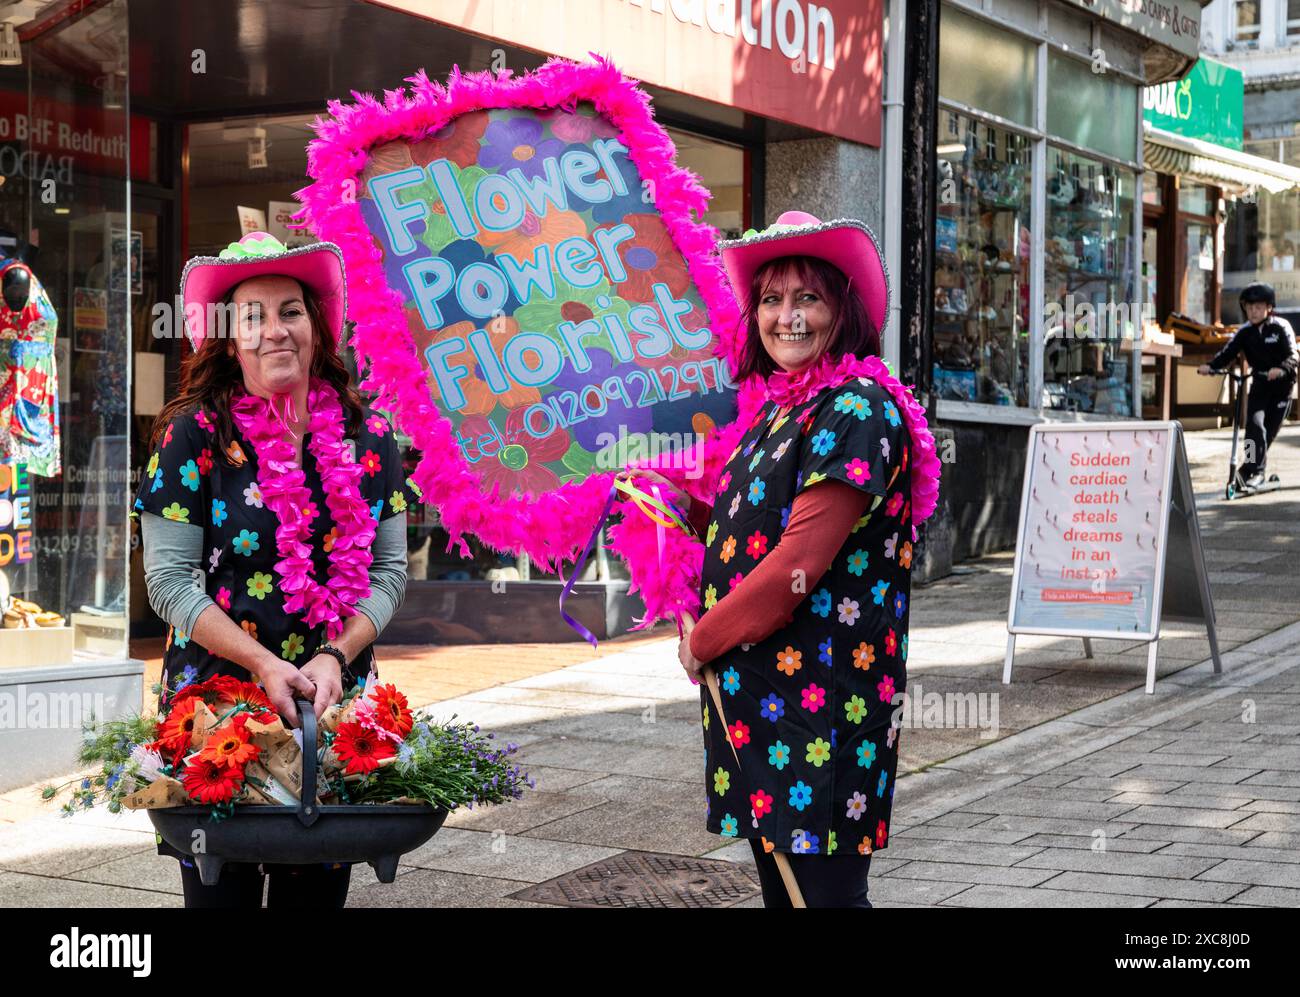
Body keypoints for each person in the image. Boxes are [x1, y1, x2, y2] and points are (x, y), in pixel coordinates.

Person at [623, 211, 938, 907]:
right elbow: (750, 532)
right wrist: (670, 506)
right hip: (762, 704)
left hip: (821, 712)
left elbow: (801, 559)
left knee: (822, 899)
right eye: (770, 299)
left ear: (843, 309)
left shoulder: (857, 405)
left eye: (808, 298)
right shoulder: (779, 408)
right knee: (787, 898)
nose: (786, 317)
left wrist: (704, 637)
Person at [132, 232, 415, 908]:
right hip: (215, 717)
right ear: (231, 340)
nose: (273, 330)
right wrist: (261, 662)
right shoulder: (192, 434)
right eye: (252, 316)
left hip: (330, 709)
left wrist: (334, 656)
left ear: (316, 327)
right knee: (219, 898)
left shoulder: (370, 438)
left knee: (313, 902)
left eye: (289, 310)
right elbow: (168, 581)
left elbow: (389, 570)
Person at [1197, 282, 1298, 487]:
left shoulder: (1281, 326)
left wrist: (1281, 369)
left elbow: (1294, 355)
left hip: (1282, 388)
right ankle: (1255, 471)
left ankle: (1249, 469)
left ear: (1269, 307)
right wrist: (1211, 366)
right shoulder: (1244, 332)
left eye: (1258, 307)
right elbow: (1228, 353)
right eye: (1249, 307)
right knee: (1254, 427)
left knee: (1266, 433)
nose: (1253, 312)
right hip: (1260, 385)